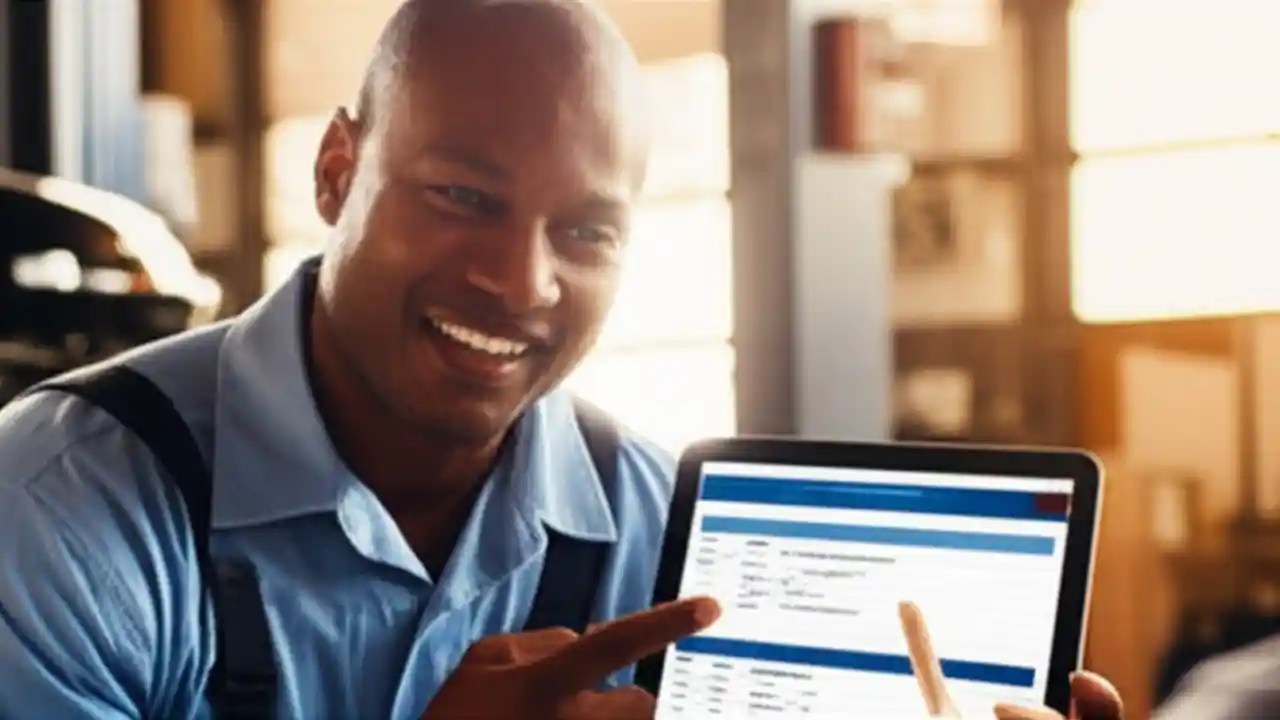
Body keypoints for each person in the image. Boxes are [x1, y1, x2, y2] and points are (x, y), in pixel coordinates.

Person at [0, 1, 1124, 718]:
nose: (522, 280)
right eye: (462, 197)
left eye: (584, 232)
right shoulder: (64, 506)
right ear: (337, 169)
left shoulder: (666, 533)